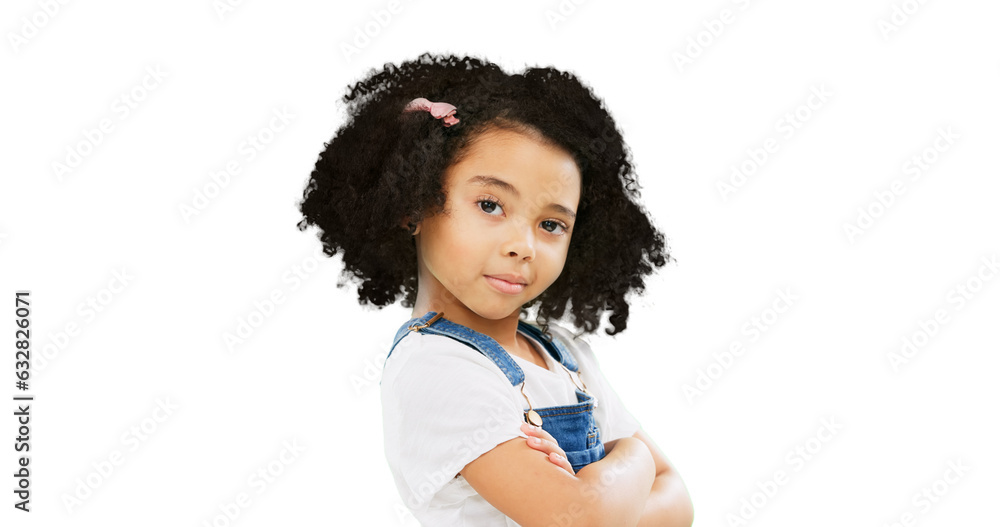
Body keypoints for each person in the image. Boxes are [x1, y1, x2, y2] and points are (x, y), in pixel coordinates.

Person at [297, 52, 694, 526]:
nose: (522, 246)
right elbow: (583, 520)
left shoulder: (563, 356)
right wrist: (634, 456)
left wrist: (605, 492)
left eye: (550, 223)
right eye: (490, 204)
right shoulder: (438, 368)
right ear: (414, 203)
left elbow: (679, 505)